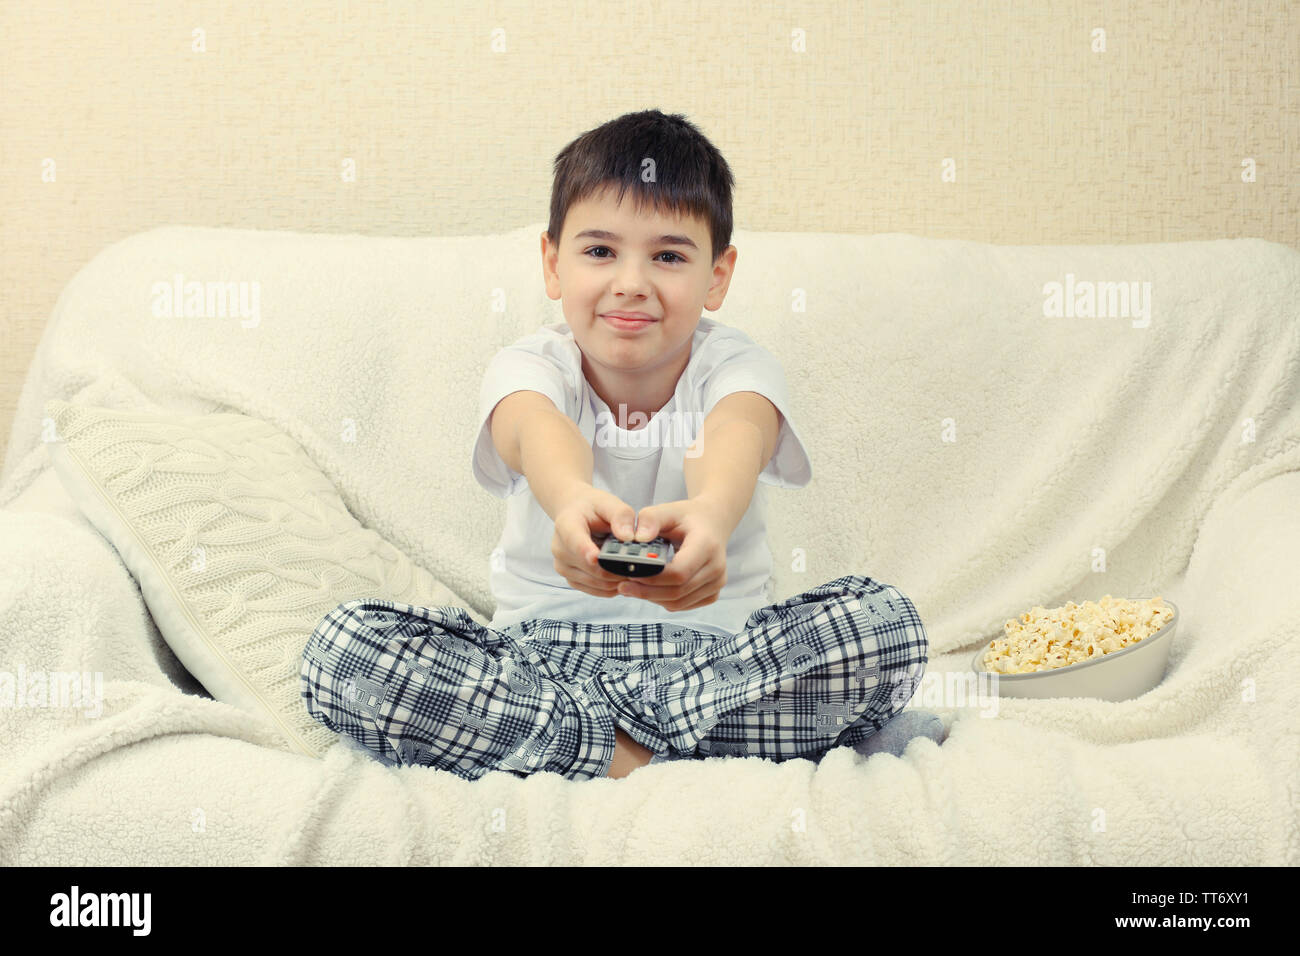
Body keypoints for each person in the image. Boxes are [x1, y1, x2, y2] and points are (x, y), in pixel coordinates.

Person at [300, 109, 946, 781]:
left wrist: (712, 515)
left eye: (668, 255)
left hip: (712, 664)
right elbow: (535, 429)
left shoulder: (737, 365)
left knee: (885, 624)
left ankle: (583, 752)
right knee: (345, 649)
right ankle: (663, 752)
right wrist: (573, 497)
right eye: (600, 251)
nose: (632, 282)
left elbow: (736, 431)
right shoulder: (530, 364)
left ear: (718, 275)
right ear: (552, 264)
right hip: (539, 666)